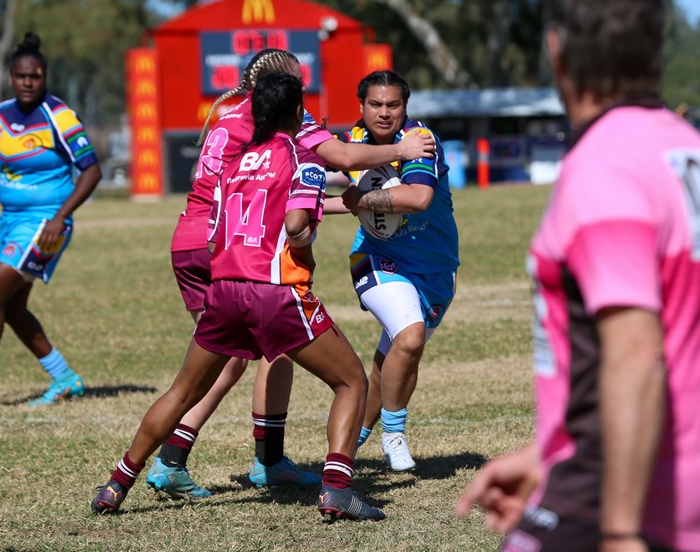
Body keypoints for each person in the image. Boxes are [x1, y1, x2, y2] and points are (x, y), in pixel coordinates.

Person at [456, 0, 700, 551]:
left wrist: (619, 530)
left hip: (628, 495)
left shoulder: (603, 167)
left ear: (556, 51)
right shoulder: (698, 153)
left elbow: (637, 353)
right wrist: (547, 456)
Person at [92, 72, 385, 521]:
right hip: (276, 291)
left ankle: (117, 482)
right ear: (296, 113)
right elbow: (294, 226)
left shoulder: (233, 165)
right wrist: (304, 243)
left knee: (181, 391)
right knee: (352, 383)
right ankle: (337, 490)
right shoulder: (302, 159)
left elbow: (216, 238)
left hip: (224, 290)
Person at [148, 49, 435, 499]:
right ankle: (175, 458)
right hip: (229, 243)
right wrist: (401, 149)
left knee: (255, 351)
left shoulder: (226, 115)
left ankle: (264, 459)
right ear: (281, 90)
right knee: (230, 358)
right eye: (297, 86)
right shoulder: (283, 119)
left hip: (193, 236)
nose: (303, 96)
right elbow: (338, 155)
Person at [0, 32, 101, 409]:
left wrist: (61, 217)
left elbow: (91, 171)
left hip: (46, 224)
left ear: (44, 77)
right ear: (11, 77)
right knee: (10, 307)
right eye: (22, 76)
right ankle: (65, 378)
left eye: (36, 76)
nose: (29, 82)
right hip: (10, 222)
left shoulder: (59, 117)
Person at [340, 70, 460, 472]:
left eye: (393, 105)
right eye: (375, 104)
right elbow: (339, 177)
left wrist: (358, 198)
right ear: (361, 107)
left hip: (435, 270)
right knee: (408, 339)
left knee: (390, 358)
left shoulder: (420, 142)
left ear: (405, 107)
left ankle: (349, 447)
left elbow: (419, 197)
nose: (384, 113)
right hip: (375, 258)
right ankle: (394, 433)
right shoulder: (354, 140)